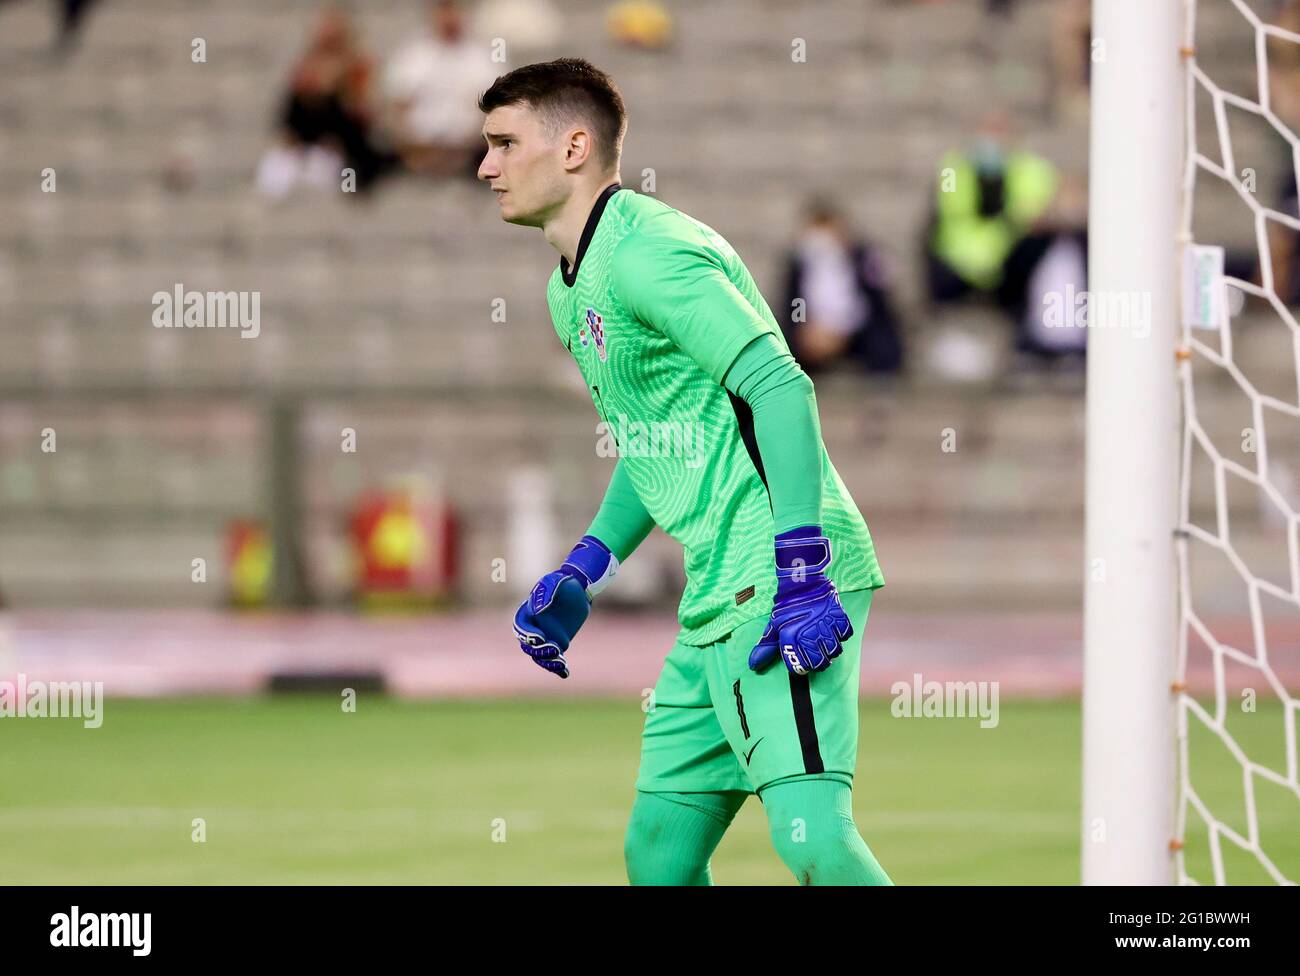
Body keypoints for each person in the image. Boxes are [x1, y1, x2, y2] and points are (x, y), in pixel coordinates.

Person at [479, 58, 891, 886]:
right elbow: (656, 441)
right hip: (714, 595)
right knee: (659, 859)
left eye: (502, 143)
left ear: (573, 148)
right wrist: (585, 567)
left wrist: (802, 564)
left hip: (780, 579)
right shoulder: (570, 291)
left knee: (812, 839)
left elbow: (779, 385)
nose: (485, 167)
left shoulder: (648, 255)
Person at [782, 198, 904, 375]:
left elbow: (875, 305)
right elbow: (795, 305)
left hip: (857, 334)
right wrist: (806, 330)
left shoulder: (862, 260)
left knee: (883, 347)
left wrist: (842, 330)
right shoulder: (799, 267)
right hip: (815, 335)